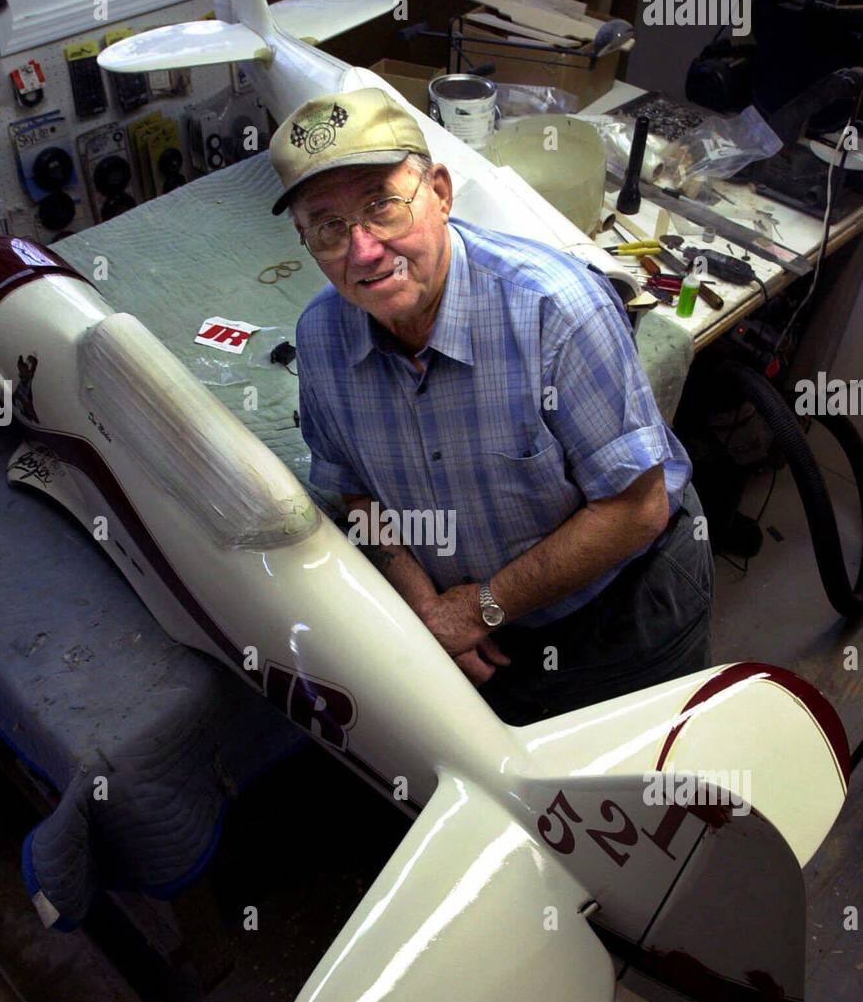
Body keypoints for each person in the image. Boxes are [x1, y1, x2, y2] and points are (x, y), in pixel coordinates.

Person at [269, 86, 713, 724]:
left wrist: (474, 609)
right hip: (471, 625)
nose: (362, 250)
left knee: (644, 792)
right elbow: (354, 493)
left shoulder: (556, 311)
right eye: (330, 227)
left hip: (620, 610)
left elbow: (634, 509)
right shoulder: (320, 336)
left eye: (382, 206)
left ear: (442, 193)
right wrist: (427, 608)